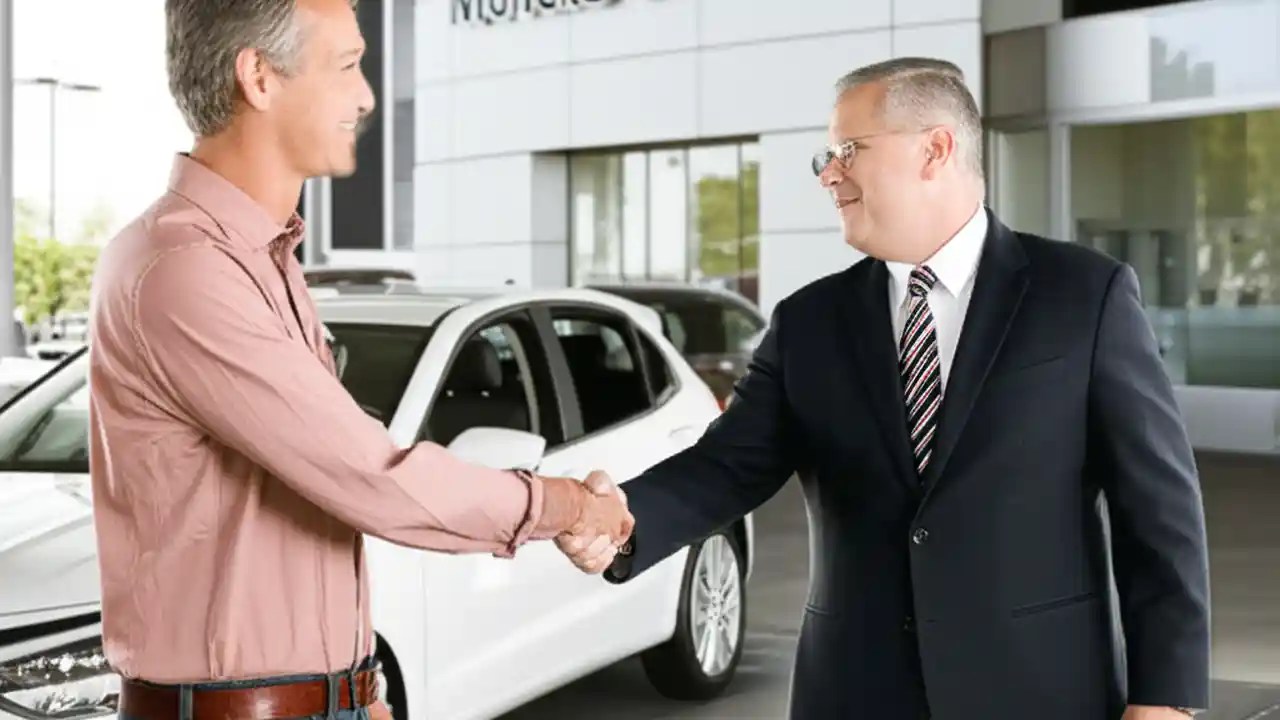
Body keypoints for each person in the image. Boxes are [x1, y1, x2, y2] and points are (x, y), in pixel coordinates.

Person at [559, 58, 1211, 720]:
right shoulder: (809, 322)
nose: (828, 174)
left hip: (1041, 692)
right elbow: (726, 467)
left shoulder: (1083, 296)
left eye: (848, 150)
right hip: (855, 694)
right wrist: (622, 520)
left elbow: (1158, 513)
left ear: (935, 150)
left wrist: (1165, 699)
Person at [87, 1, 631, 719]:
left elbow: (297, 507)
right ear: (258, 76)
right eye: (346, 65)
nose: (367, 95)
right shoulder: (185, 270)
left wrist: (352, 686)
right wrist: (565, 505)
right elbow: (372, 478)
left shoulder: (258, 259)